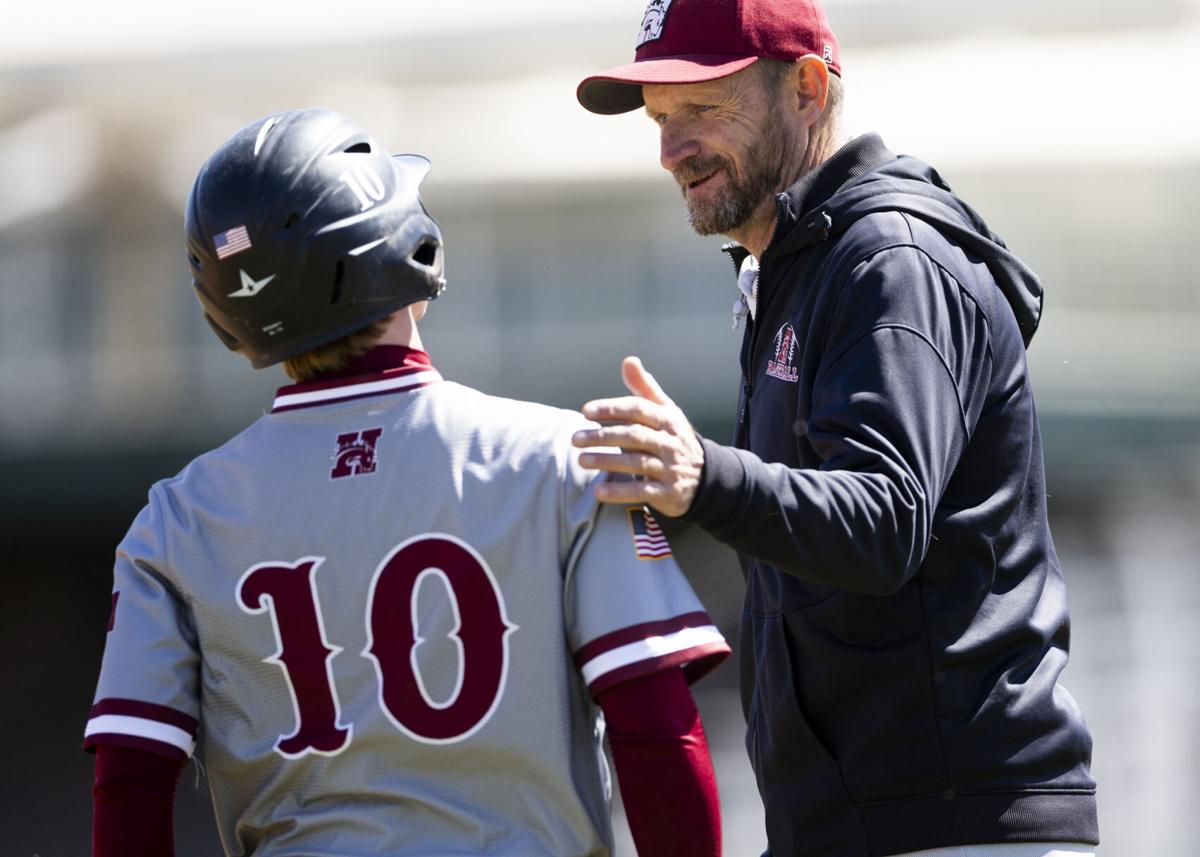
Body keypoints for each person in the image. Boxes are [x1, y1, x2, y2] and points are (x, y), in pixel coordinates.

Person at [82, 107, 731, 857]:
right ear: (396, 242)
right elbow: (656, 732)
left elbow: (130, 781)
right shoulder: (567, 459)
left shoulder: (176, 520)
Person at [572, 1, 1099, 855]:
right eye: (660, 119)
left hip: (950, 822)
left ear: (809, 89)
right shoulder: (795, 268)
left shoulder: (887, 262)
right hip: (871, 823)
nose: (671, 149)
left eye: (702, 107)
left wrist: (704, 475)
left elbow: (883, 522)